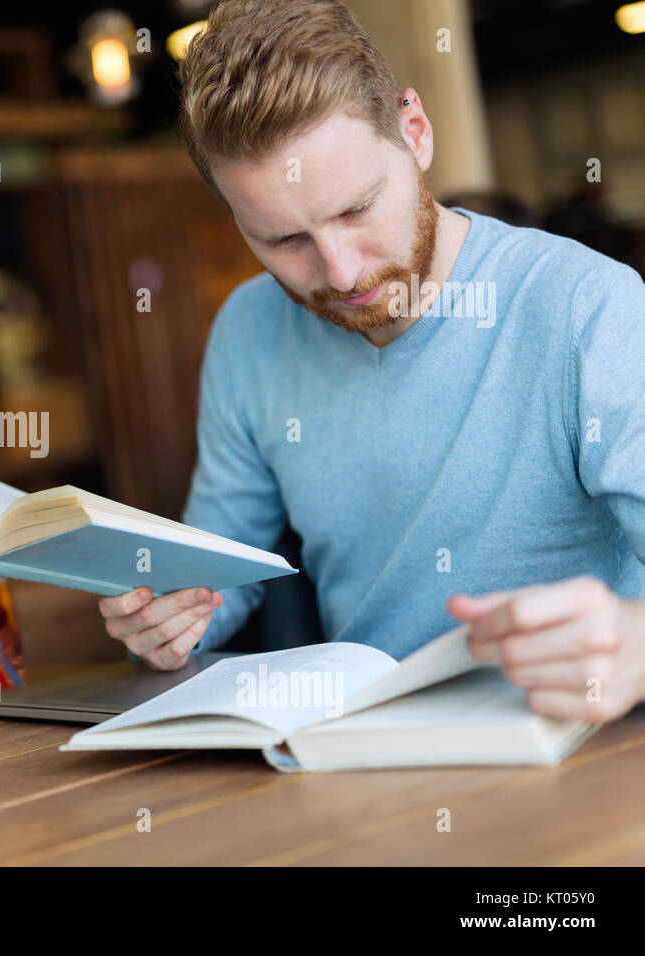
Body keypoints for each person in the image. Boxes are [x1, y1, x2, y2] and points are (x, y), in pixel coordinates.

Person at [98, 0, 645, 722]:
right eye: (285, 241)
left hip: (576, 742)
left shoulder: (587, 305)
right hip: (364, 752)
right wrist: (164, 618)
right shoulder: (247, 332)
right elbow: (218, 576)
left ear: (414, 132)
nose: (343, 270)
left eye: (357, 209)